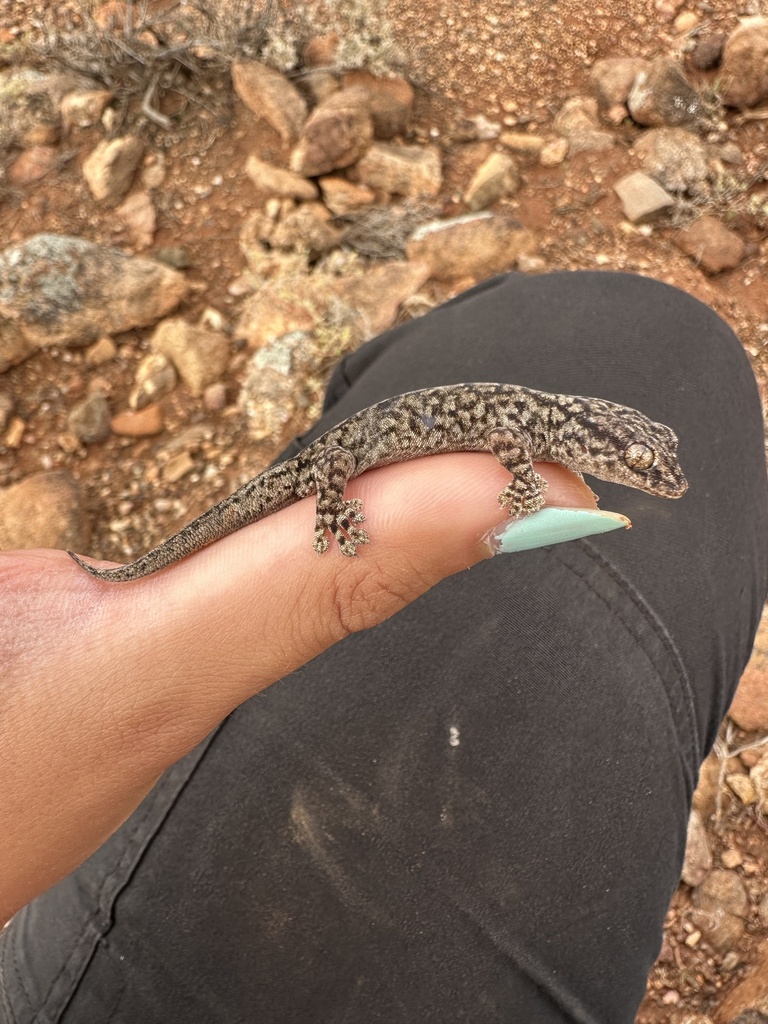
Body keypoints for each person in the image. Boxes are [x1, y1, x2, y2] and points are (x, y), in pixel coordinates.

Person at [1, 270, 766, 1024]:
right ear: (592, 437)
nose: (653, 475)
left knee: (664, 337)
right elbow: (502, 443)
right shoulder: (531, 427)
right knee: (681, 343)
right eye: (638, 464)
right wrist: (486, 496)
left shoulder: (547, 416)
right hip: (330, 471)